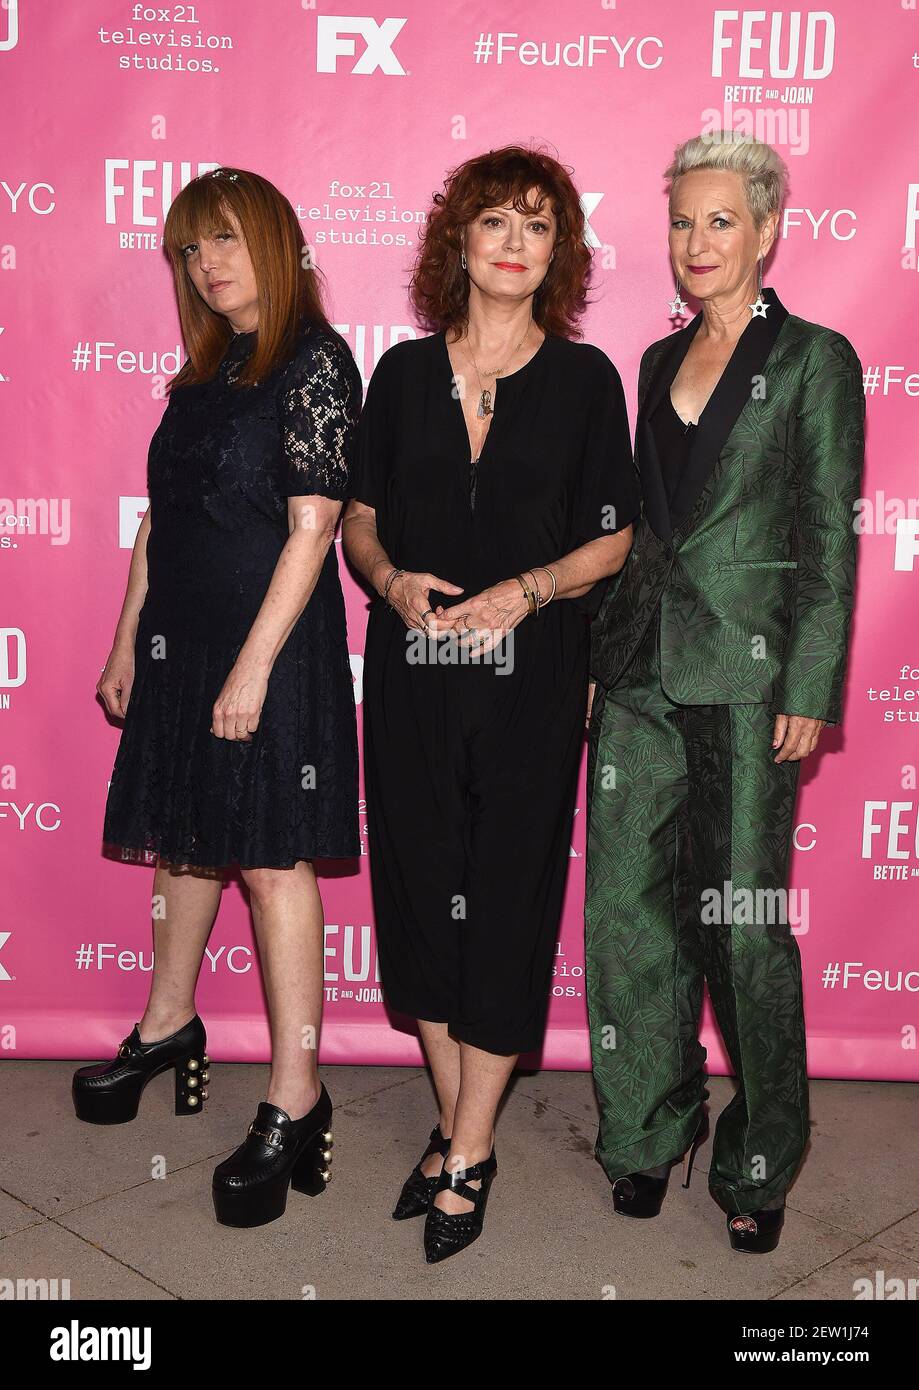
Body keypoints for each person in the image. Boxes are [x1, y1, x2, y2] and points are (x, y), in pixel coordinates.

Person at [342, 145, 639, 1263]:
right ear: (456, 240)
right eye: (496, 222)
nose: (515, 243)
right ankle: (458, 1127)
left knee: (506, 897)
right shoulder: (402, 377)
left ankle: (467, 1148)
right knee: (419, 890)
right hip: (413, 674)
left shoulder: (585, 381)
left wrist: (527, 588)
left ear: (558, 251)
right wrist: (386, 578)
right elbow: (361, 517)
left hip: (533, 676)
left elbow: (612, 534)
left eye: (538, 226)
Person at [585, 132, 866, 1253]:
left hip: (751, 677)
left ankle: (759, 1152)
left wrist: (810, 680)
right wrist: (601, 659)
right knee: (627, 910)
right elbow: (653, 527)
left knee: (740, 921)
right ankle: (650, 1130)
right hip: (643, 666)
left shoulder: (814, 360)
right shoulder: (655, 364)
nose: (695, 244)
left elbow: (828, 534)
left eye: (718, 222)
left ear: (763, 231)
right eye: (680, 223)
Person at [73, 167, 361, 1229]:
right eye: (193, 249)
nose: (210, 265)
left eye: (229, 240)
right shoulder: (203, 371)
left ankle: (296, 1095)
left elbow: (313, 529)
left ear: (277, 244)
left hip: (269, 645)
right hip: (178, 639)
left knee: (274, 860)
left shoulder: (315, 363)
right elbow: (161, 520)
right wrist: (124, 642)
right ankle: (167, 1025)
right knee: (189, 841)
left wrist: (250, 667)